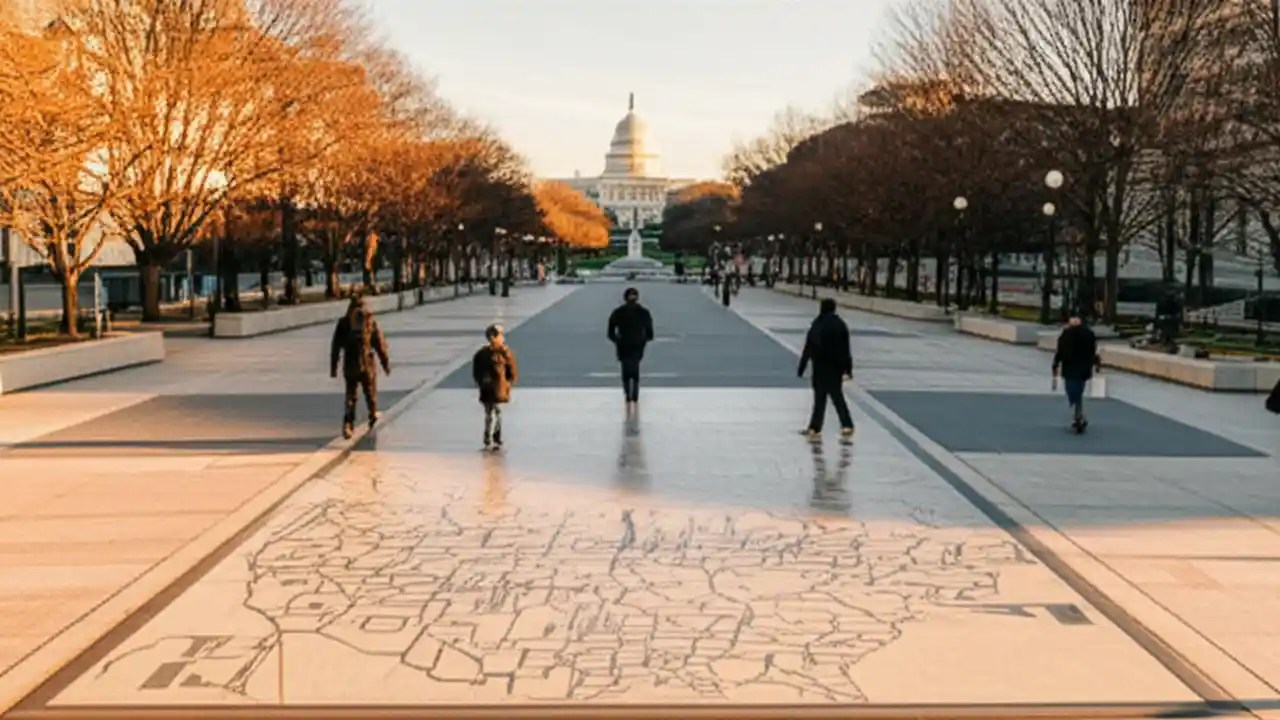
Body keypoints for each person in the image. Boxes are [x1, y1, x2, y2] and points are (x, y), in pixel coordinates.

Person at [330, 295, 391, 439]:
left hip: (350, 364)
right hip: (367, 364)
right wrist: (385, 363)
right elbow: (379, 344)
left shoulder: (343, 324)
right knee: (370, 395)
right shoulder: (370, 321)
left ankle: (348, 423)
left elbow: (335, 347)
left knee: (351, 395)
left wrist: (333, 367)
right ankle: (372, 418)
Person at [798, 297, 855, 438]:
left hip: (820, 365)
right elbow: (846, 349)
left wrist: (802, 366)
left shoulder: (817, 324)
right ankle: (847, 425)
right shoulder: (841, 325)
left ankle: (814, 427)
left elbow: (809, 347)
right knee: (837, 396)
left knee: (819, 399)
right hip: (835, 367)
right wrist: (848, 369)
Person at [1052, 312, 1102, 434]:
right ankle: (1078, 414)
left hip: (1071, 367)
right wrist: (1096, 363)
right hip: (1083, 367)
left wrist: (1056, 363)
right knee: (1078, 390)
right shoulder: (1088, 334)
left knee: (1072, 389)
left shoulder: (1066, 334)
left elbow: (1060, 350)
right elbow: (1093, 350)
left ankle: (1078, 413)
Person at [472, 324, 518, 451]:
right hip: (488, 389)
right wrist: (481, 381)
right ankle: (489, 438)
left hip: (499, 389)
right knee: (490, 414)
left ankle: (494, 437)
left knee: (497, 413)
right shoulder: (482, 354)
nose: (501, 338)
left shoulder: (505, 353)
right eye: (499, 335)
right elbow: (477, 371)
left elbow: (512, 370)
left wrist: (509, 383)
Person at [607, 287, 654, 407]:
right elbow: (650, 332)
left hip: (624, 343)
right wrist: (645, 339)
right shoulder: (643, 312)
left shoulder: (618, 312)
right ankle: (634, 393)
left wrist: (616, 339)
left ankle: (628, 393)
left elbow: (610, 330)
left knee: (626, 369)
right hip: (637, 343)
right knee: (635, 367)